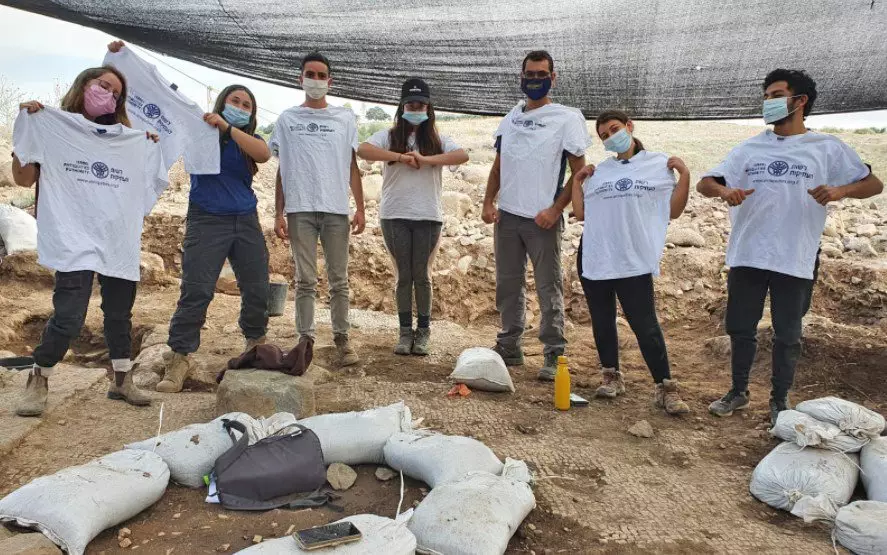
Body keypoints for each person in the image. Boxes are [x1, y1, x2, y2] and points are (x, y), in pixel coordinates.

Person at [698, 69, 883, 423]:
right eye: (766, 96)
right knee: (740, 326)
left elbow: (873, 183)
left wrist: (840, 190)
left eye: (776, 95)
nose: (768, 102)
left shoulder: (827, 148)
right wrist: (725, 191)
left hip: (795, 256)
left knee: (788, 333)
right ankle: (738, 392)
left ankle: (779, 400)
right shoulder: (750, 147)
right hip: (749, 253)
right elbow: (706, 183)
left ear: (800, 102)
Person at [11, 66, 167, 416]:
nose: (109, 96)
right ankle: (39, 376)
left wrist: (146, 147)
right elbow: (22, 180)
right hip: (73, 237)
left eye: (116, 93)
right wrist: (28, 130)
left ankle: (122, 380)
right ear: (84, 85)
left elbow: (148, 190)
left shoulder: (132, 140)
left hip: (116, 240)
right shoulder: (52, 126)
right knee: (68, 317)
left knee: (118, 315)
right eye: (103, 86)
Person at [571, 111, 691, 414]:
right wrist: (577, 181)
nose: (611, 137)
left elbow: (673, 212)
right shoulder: (601, 172)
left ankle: (665, 386)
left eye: (614, 129)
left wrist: (685, 176)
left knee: (645, 323)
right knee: (602, 319)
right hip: (597, 254)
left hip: (633, 258)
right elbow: (581, 213)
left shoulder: (657, 164)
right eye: (604, 135)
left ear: (629, 126)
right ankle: (611, 375)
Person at [482, 50, 590, 381]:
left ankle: (553, 352)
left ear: (553, 77)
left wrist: (557, 209)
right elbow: (499, 166)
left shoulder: (567, 118)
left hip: (543, 219)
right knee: (508, 285)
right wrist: (488, 202)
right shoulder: (510, 117)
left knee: (547, 286)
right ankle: (510, 346)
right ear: (521, 76)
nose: (534, 80)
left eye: (541, 74)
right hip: (508, 218)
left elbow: (580, 170)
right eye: (529, 74)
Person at [157, 84, 272, 393]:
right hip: (207, 218)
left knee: (257, 285)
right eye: (234, 101)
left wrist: (230, 128)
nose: (240, 106)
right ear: (222, 103)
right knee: (197, 289)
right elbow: (168, 118)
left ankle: (255, 343)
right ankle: (179, 357)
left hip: (246, 219)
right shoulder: (201, 133)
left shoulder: (249, 141)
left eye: (246, 104)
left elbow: (264, 154)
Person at [357, 78, 469, 355]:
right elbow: (363, 150)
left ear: (429, 108)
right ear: (402, 105)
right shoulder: (389, 134)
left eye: (420, 104)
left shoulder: (438, 140)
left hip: (428, 215)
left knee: (423, 275)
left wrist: (426, 159)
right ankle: (404, 332)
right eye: (410, 103)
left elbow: (462, 155)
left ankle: (424, 332)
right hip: (394, 215)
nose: (415, 108)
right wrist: (399, 156)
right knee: (403, 275)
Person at [271, 52, 365, 366]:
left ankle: (342, 339)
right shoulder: (287, 119)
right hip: (300, 209)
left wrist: (361, 208)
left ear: (329, 81)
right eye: (310, 74)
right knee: (305, 279)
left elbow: (353, 166)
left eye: (321, 75)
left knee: (340, 279)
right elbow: (283, 168)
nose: (315, 80)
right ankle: (306, 340)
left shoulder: (344, 118)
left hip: (336, 208)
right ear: (300, 78)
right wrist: (278, 212)